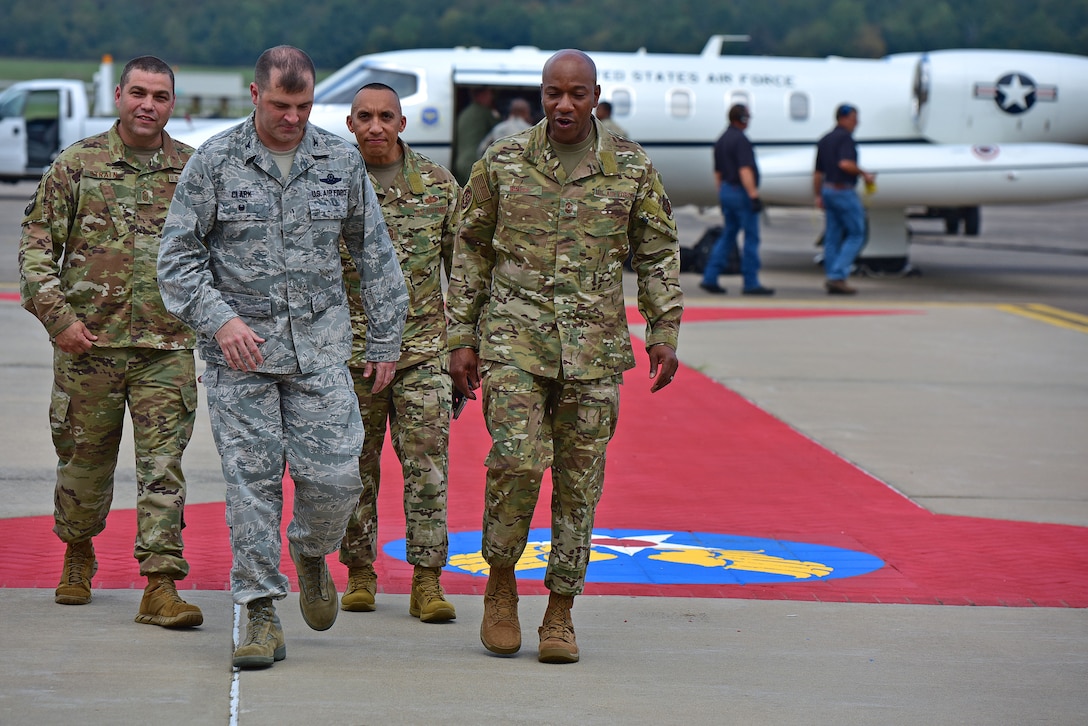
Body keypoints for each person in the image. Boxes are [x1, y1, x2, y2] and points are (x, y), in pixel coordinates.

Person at [157, 46, 408, 670]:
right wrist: (222, 321)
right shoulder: (214, 162)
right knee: (252, 486)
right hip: (240, 356)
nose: (292, 118)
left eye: (302, 106)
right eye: (279, 105)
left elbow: (374, 254)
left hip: (322, 351)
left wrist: (385, 341)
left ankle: (310, 548)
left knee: (337, 478)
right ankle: (260, 612)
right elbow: (177, 261)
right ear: (253, 95)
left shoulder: (340, 158)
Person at [448, 49, 683, 664]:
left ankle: (560, 611)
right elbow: (470, 250)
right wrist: (461, 339)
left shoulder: (629, 166)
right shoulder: (502, 161)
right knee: (518, 463)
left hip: (595, 351)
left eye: (577, 94)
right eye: (554, 93)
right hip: (514, 341)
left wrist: (664, 328)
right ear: (541, 94)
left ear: (595, 96)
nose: (564, 105)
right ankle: (501, 586)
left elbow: (655, 250)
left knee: (580, 484)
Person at [18, 56, 203, 629]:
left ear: (174, 104)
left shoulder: (194, 172)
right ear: (119, 95)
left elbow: (218, 257)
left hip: (166, 350)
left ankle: (161, 584)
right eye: (139, 93)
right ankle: (77, 552)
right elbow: (34, 249)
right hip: (87, 348)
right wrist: (60, 321)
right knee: (83, 463)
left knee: (162, 468)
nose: (149, 105)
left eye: (161, 96)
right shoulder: (78, 165)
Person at [337, 83, 459, 623]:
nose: (376, 127)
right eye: (365, 117)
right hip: (350, 355)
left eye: (386, 116)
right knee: (353, 471)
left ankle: (427, 582)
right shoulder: (329, 183)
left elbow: (466, 269)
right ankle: (360, 573)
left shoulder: (437, 186)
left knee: (427, 467)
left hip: (421, 351)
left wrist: (463, 345)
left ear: (403, 124)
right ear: (350, 123)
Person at [700, 103, 774, 296]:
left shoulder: (722, 140)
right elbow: (745, 170)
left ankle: (710, 276)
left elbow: (717, 172)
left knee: (728, 235)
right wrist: (753, 194)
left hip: (726, 190)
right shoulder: (741, 140)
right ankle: (751, 282)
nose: (749, 121)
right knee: (751, 238)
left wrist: (722, 192)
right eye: (747, 117)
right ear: (741, 119)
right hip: (740, 192)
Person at [813, 103, 876, 295]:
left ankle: (833, 273)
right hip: (843, 191)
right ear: (844, 118)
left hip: (828, 190)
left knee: (832, 236)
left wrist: (818, 195)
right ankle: (838, 276)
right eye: (854, 119)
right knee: (857, 234)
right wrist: (864, 174)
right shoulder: (846, 139)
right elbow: (845, 163)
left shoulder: (824, 140)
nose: (856, 124)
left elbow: (817, 173)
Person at [453, 86, 498, 184]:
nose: (492, 98)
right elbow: (501, 130)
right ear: (482, 95)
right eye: (490, 94)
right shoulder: (485, 112)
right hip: (474, 162)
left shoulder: (465, 113)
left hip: (460, 162)